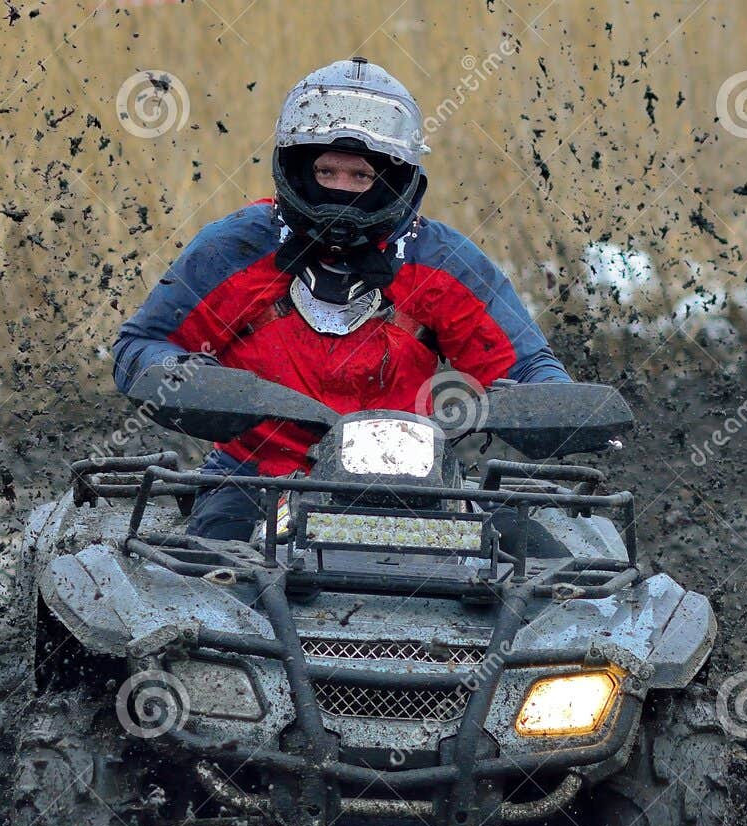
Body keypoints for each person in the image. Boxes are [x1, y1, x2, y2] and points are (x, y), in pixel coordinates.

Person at [112, 57, 572, 541]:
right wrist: (188, 379)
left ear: (394, 181)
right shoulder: (234, 248)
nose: (340, 189)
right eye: (326, 171)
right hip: (255, 474)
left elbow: (526, 366)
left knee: (539, 558)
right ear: (296, 171)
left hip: (414, 480)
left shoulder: (444, 263)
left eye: (361, 176)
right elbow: (140, 344)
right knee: (209, 562)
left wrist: (555, 406)